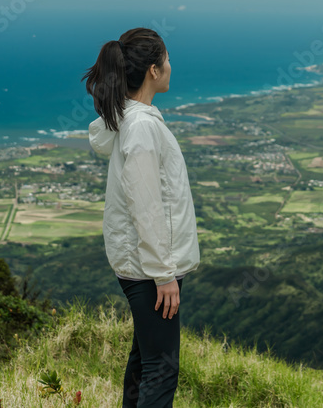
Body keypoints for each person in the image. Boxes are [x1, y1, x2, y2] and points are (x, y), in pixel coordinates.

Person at [82, 27, 200, 408]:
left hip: (141, 264)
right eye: (165, 59)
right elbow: (145, 205)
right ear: (153, 70)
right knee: (162, 369)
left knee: (144, 361)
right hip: (149, 269)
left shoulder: (129, 121)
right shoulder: (144, 127)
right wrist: (164, 275)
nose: (171, 65)